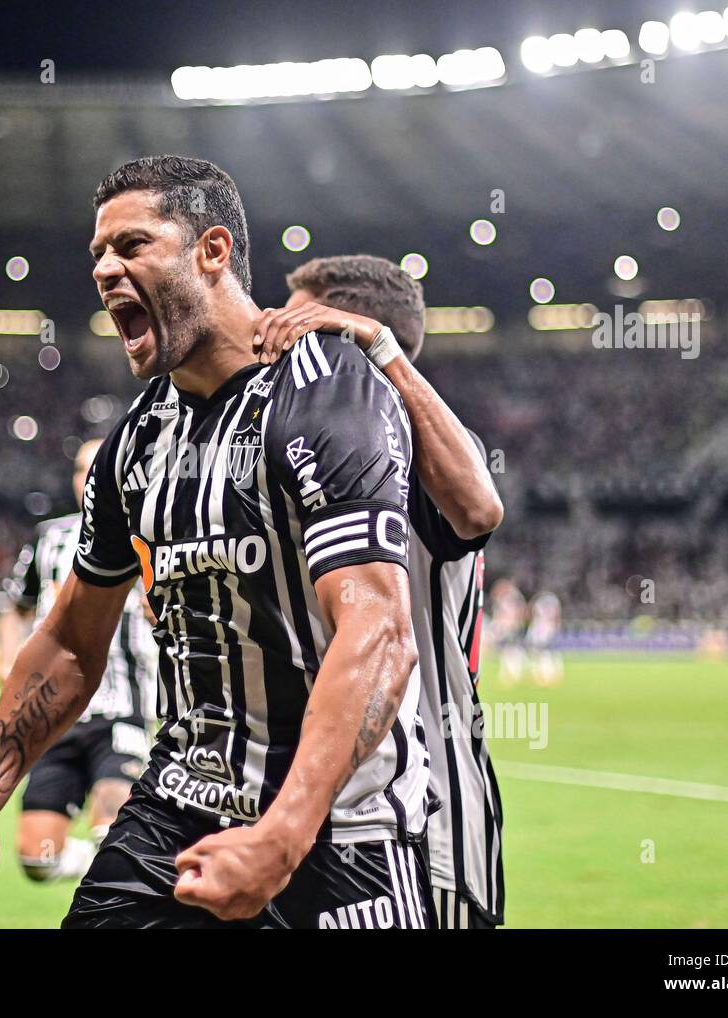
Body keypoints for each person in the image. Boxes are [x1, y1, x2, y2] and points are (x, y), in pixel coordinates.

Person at [0, 155, 435, 929]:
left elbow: (379, 630)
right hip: (174, 808)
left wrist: (280, 838)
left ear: (214, 251)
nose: (104, 269)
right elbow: (68, 643)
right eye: (97, 253)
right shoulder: (133, 446)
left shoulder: (325, 390)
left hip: (339, 832)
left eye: (131, 245)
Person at [254, 253, 505, 928]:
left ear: (338, 323)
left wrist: (380, 350)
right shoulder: (302, 439)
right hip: (316, 799)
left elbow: (479, 510)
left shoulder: (410, 438)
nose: (270, 330)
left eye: (292, 316)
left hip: (431, 819)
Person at [0, 438, 156, 882]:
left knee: (114, 828)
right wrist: (7, 659)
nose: (89, 479)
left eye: (98, 469)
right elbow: (17, 606)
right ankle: (116, 870)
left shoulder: (147, 534)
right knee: (38, 860)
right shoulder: (49, 538)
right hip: (54, 715)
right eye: (81, 471)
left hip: (123, 709)